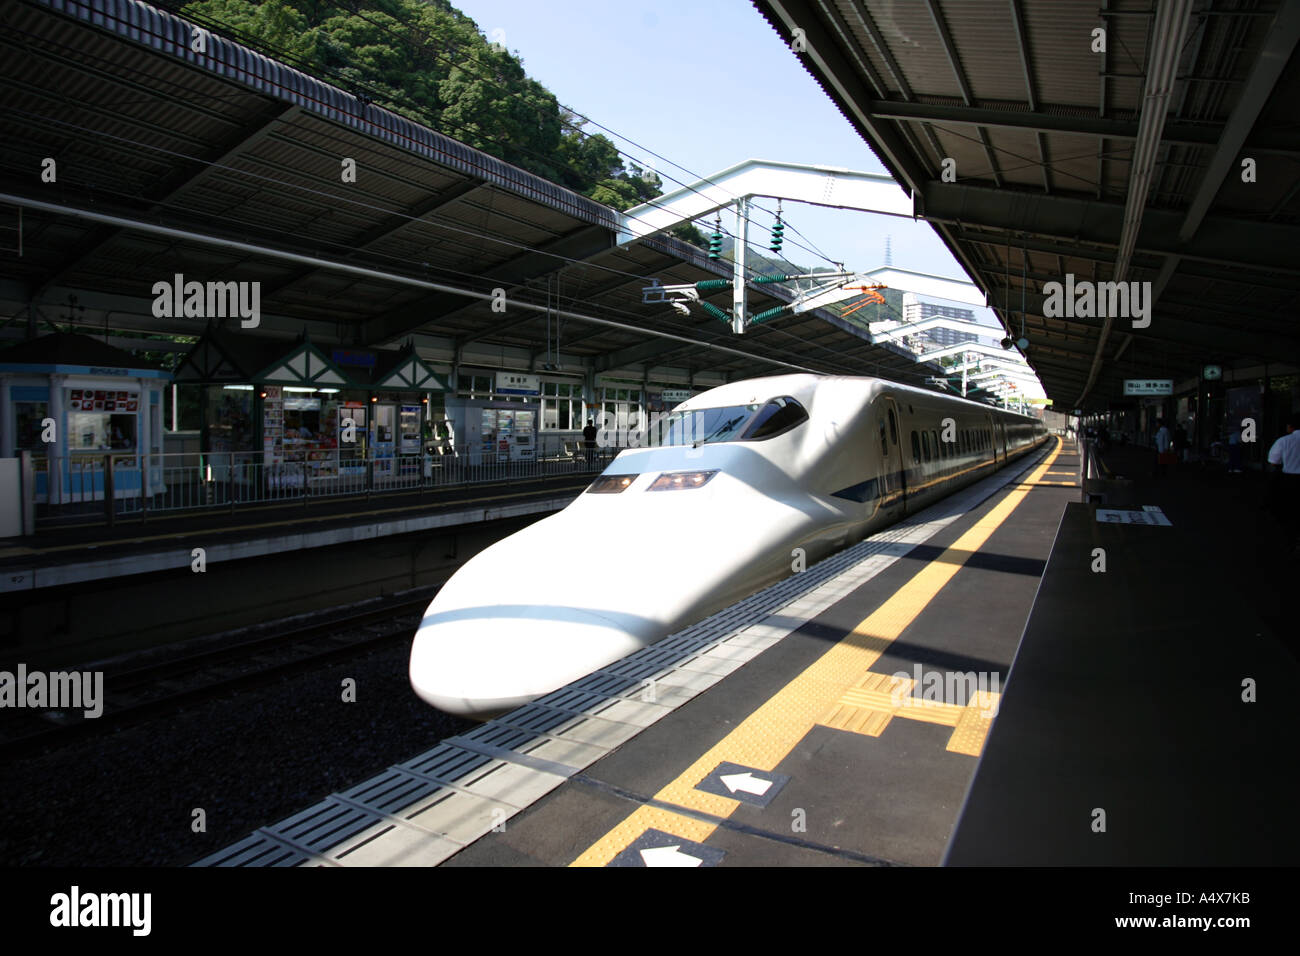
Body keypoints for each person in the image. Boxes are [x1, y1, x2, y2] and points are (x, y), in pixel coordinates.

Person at [1266, 412, 1300, 554]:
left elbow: (1273, 461)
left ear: (1290, 427)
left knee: (1289, 511)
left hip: (1289, 481)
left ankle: (1293, 541)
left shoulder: (1284, 441)